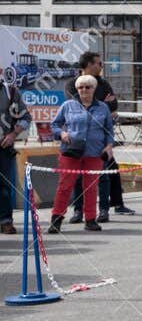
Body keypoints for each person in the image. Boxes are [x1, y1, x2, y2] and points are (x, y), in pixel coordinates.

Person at [68, 52, 133, 222]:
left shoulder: (103, 83)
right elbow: (78, 104)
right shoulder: (72, 83)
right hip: (79, 141)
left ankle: (109, 207)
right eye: (99, 63)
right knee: (79, 176)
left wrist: (102, 105)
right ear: (89, 65)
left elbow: (113, 105)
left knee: (107, 173)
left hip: (101, 139)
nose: (101, 66)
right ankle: (78, 211)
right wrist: (103, 104)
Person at [48, 74, 115, 233]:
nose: (84, 90)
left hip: (94, 152)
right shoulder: (67, 105)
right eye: (81, 87)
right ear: (77, 89)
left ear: (94, 88)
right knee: (65, 186)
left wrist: (109, 146)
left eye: (88, 87)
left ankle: (90, 219)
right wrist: (62, 134)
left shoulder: (103, 107)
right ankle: (56, 219)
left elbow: (109, 130)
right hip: (71, 152)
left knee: (91, 187)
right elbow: (54, 125)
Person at [1, 73, 31, 235]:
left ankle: (5, 221)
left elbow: (26, 117)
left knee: (4, 186)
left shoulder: (11, 92)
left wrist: (13, 134)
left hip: (3, 147)